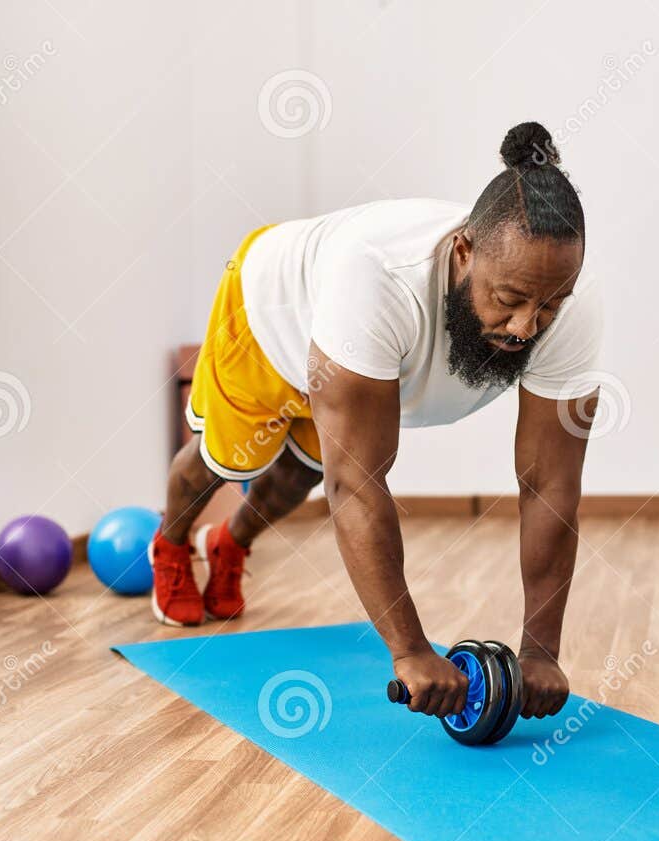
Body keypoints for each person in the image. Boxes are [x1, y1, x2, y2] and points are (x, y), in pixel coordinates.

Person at [151, 121, 602, 722]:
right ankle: (172, 545)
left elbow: (550, 486)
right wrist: (411, 650)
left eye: (548, 305)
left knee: (296, 476)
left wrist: (541, 652)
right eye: (510, 298)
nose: (527, 325)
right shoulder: (376, 277)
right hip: (268, 313)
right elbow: (358, 485)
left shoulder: (571, 302)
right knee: (223, 461)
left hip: (344, 353)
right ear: (464, 252)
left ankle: (230, 545)